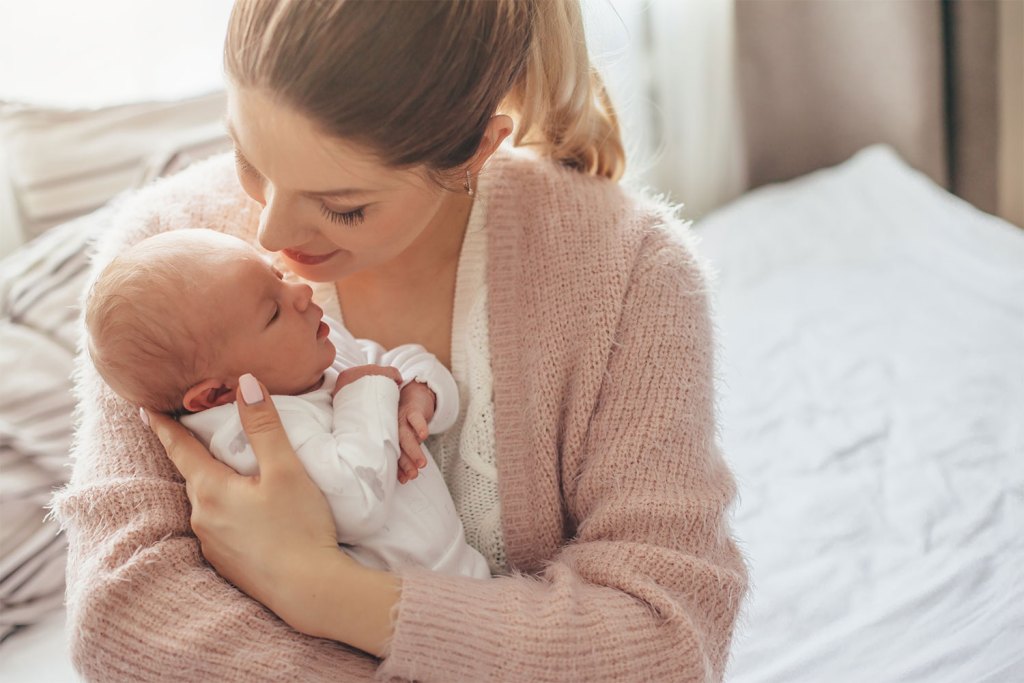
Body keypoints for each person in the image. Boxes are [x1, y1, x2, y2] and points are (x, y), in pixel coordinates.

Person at [53, 0, 749, 680]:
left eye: (343, 206)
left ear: (477, 148)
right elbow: (122, 616)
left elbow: (666, 641)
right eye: (249, 157)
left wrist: (320, 590)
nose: (270, 236)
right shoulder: (160, 265)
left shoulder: (631, 274)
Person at [83, 228, 491, 579]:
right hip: (401, 606)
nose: (300, 291)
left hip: (463, 570)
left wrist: (419, 394)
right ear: (216, 395)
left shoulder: (316, 356)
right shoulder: (250, 438)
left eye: (277, 275)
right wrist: (365, 391)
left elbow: (403, 361)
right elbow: (358, 505)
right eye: (273, 313)